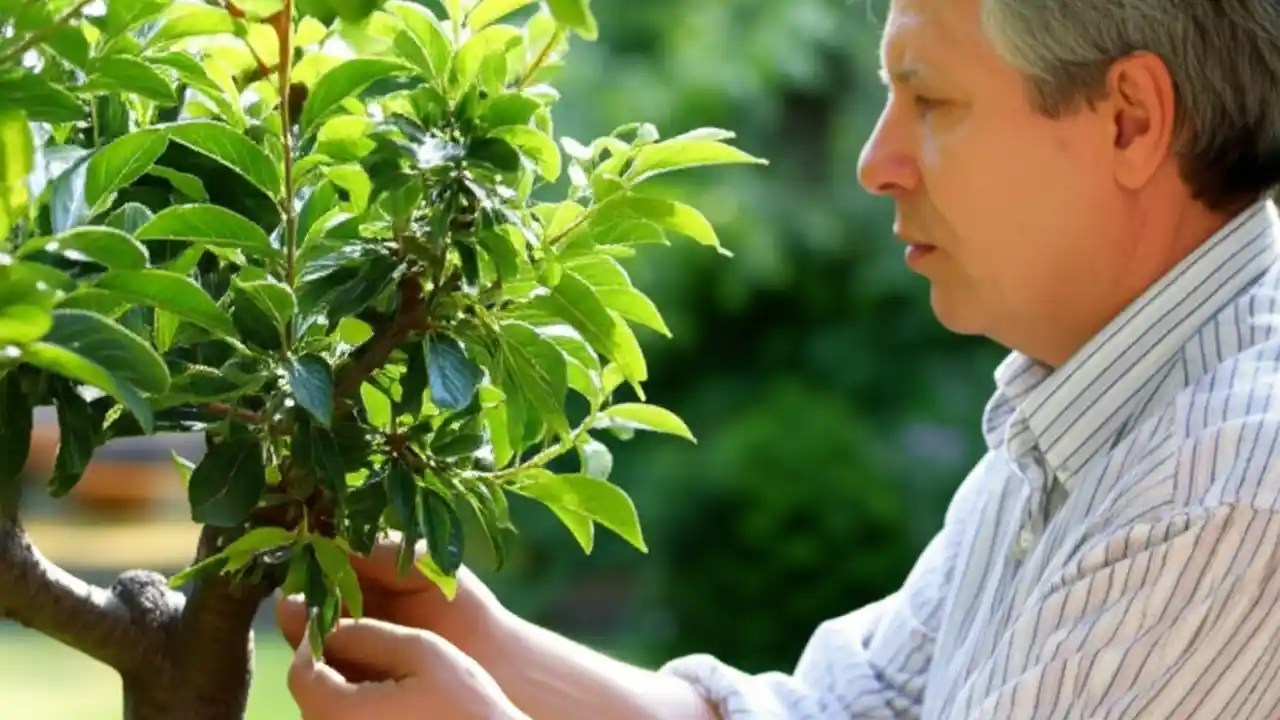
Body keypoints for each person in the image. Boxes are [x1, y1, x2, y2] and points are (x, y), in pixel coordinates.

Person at [277, 0, 1280, 716]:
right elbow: (847, 711)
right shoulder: (1084, 417)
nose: (874, 162)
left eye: (929, 101)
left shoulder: (1225, 491)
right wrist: (486, 648)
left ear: (1128, 121)